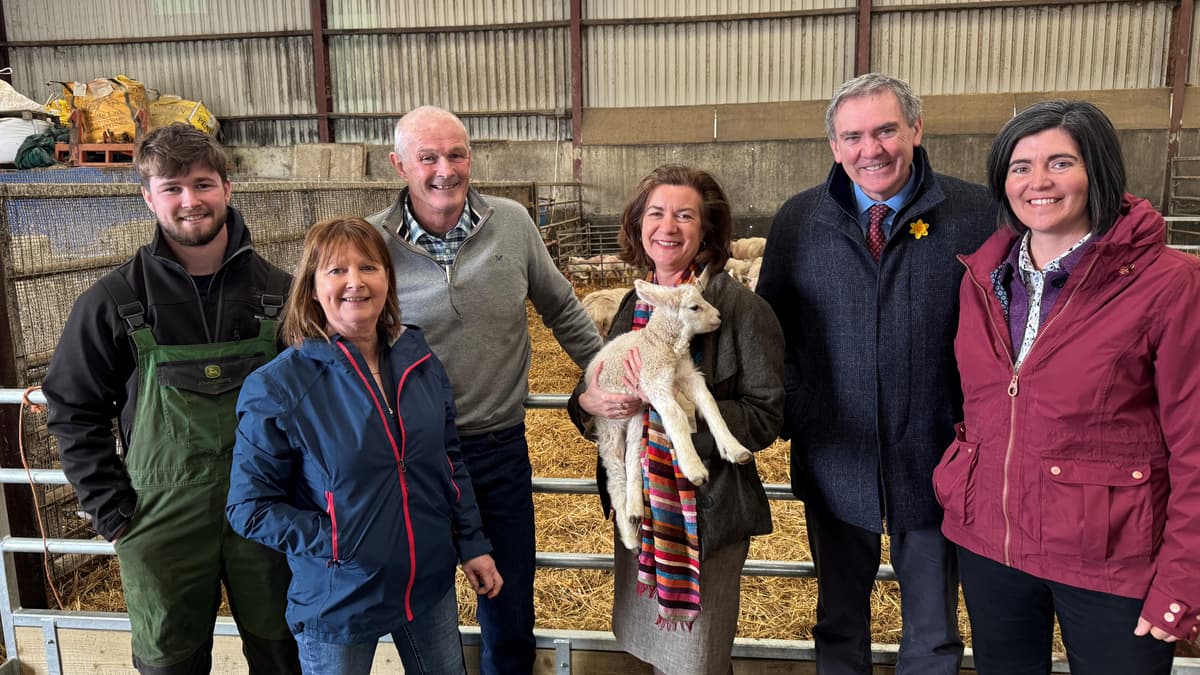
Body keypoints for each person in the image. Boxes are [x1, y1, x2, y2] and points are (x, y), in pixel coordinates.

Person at [935, 99, 1199, 675]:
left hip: (1111, 555)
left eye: (1061, 162)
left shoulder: (1170, 285)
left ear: (1099, 170)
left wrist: (1183, 575)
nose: (1038, 182)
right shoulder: (982, 277)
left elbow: (1196, 444)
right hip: (994, 545)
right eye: (1020, 166)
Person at [755, 73, 996, 675]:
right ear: (834, 146)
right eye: (854, 136)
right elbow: (770, 333)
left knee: (936, 628)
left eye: (887, 129)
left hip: (938, 458)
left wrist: (975, 425)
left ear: (915, 129)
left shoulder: (976, 215)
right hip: (837, 458)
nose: (872, 149)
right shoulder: (798, 221)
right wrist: (800, 408)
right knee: (838, 622)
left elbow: (1006, 330)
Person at [41, 124, 300, 674]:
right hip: (161, 524)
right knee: (170, 664)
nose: (190, 202)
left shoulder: (281, 293)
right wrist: (112, 511)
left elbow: (321, 398)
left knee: (286, 656)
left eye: (203, 184)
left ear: (228, 188)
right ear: (148, 195)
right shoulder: (114, 301)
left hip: (270, 517)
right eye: (172, 187)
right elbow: (71, 407)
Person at [366, 105, 602, 675]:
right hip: (409, 455)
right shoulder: (371, 243)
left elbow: (562, 308)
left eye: (456, 154)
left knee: (508, 594)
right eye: (428, 157)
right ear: (400, 165)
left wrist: (605, 370)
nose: (444, 169)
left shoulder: (514, 223)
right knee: (420, 597)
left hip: (497, 445)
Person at [225, 216, 502, 675]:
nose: (355, 282)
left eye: (369, 267)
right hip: (341, 596)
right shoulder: (280, 386)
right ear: (312, 288)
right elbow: (248, 507)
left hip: (427, 583)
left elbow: (448, 461)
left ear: (388, 280)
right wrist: (337, 538)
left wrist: (472, 542)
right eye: (336, 270)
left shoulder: (420, 362)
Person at [568, 164, 785, 675]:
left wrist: (678, 412)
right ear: (639, 225)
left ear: (706, 228)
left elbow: (766, 414)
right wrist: (588, 402)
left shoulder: (739, 310)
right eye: (656, 213)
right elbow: (600, 382)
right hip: (643, 505)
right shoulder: (634, 303)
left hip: (704, 513)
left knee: (698, 660)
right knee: (650, 651)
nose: (668, 227)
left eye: (685, 215)